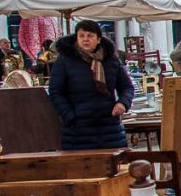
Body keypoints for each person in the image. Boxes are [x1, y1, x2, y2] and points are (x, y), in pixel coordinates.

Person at [49, 20, 134, 151]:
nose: (85, 40)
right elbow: (55, 92)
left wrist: (123, 103)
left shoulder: (110, 59)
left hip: (109, 129)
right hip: (78, 131)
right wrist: (70, 115)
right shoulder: (65, 60)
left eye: (90, 36)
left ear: (98, 39)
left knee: (114, 168)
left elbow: (127, 87)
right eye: (81, 36)